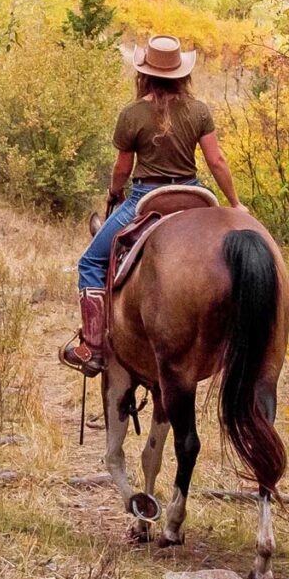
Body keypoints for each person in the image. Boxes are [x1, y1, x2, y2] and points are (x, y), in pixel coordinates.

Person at [59, 34, 243, 376]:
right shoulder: (199, 111)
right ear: (181, 75)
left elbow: (122, 169)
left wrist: (115, 192)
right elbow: (216, 161)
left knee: (90, 261)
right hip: (194, 195)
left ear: (144, 74)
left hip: (147, 198)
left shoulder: (132, 114)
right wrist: (236, 203)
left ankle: (92, 348)